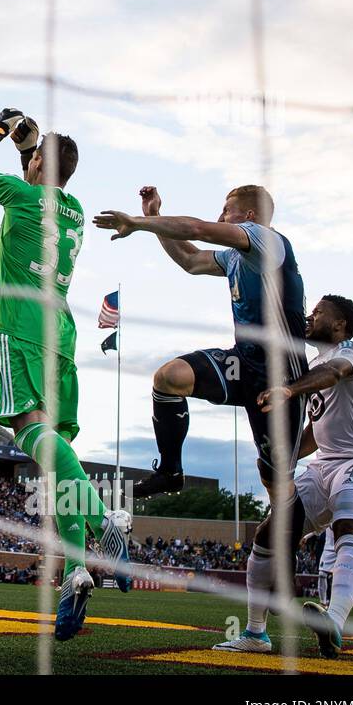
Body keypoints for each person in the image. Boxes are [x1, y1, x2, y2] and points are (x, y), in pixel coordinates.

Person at [0, 108, 131, 640]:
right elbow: (42, 168)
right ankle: (76, 570)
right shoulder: (73, 207)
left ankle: (106, 524)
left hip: (19, 324)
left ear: (33, 166)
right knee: (58, 457)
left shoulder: (21, 194)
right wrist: (28, 142)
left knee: (29, 433)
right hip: (62, 331)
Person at [93, 185, 308, 498]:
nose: (220, 216)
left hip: (280, 380)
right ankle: (170, 472)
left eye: (226, 210)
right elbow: (191, 260)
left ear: (249, 216)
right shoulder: (236, 257)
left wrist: (138, 224)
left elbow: (197, 229)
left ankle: (291, 543)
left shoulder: (266, 240)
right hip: (244, 362)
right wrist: (154, 218)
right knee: (170, 377)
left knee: (277, 488)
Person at [214, 296, 353, 657]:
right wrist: (281, 457)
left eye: (319, 312)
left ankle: (334, 622)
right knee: (268, 533)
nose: (310, 317)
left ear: (340, 324)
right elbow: (315, 432)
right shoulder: (314, 365)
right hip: (324, 464)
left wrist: (291, 389)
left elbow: (339, 371)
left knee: (348, 525)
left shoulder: (351, 351)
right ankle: (255, 633)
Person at [316, 526, 353, 614]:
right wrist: (306, 536)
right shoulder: (328, 514)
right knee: (322, 574)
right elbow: (318, 527)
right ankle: (323, 603)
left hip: (343, 547)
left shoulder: (345, 516)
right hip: (328, 550)